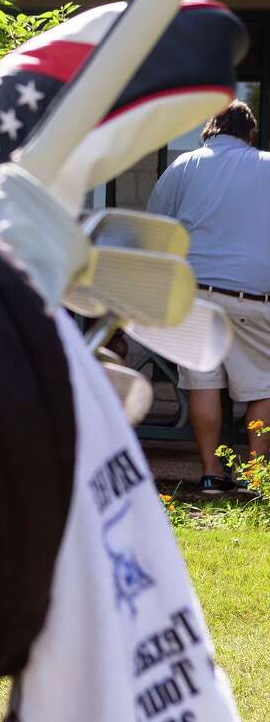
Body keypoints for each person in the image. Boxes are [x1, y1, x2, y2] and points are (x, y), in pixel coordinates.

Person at [147, 99, 270, 493]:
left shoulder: (183, 165)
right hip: (252, 293)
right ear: (248, 134)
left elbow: (156, 228)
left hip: (194, 294)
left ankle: (211, 472)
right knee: (262, 387)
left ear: (208, 131)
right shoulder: (267, 165)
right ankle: (255, 476)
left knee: (202, 383)